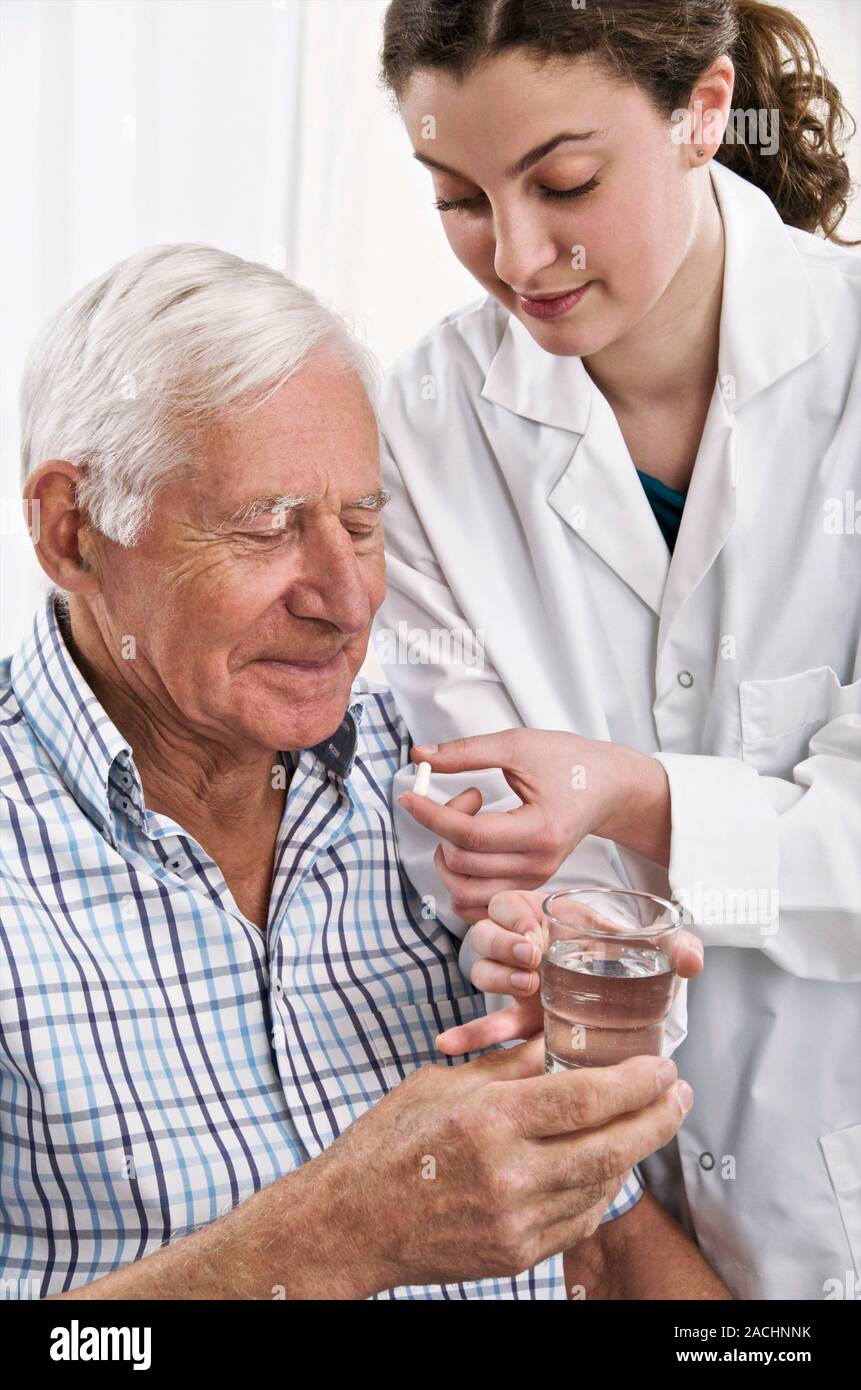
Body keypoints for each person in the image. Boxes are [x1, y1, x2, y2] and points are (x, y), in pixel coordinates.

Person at [0, 243, 717, 1301]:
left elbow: (606, 1244)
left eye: (363, 522)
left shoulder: (446, 788)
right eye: (267, 525)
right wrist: (323, 1241)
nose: (345, 598)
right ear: (73, 532)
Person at [375, 0, 861, 1299]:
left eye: (566, 181)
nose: (518, 253)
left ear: (705, 112)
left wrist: (637, 796)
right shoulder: (420, 427)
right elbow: (468, 834)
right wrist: (526, 923)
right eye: (457, 197)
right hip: (609, 1220)